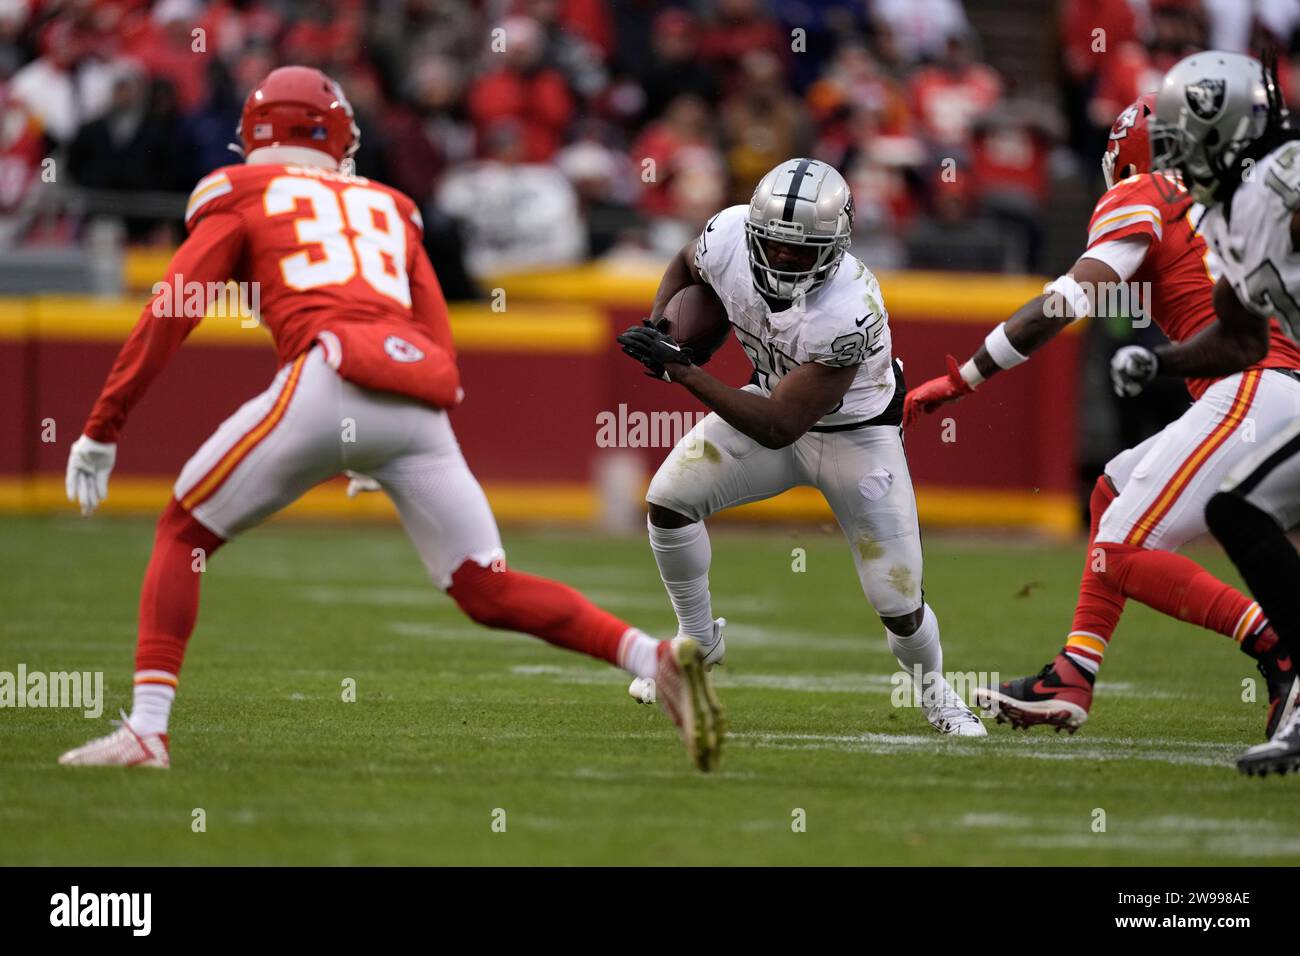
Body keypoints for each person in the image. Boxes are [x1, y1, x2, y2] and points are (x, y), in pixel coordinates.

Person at [59, 66, 723, 773]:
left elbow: (171, 309)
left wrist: (103, 426)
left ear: (255, 135)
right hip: (415, 391)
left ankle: (147, 732)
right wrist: (397, 435)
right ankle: (650, 655)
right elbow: (435, 326)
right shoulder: (389, 205)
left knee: (184, 529)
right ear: (337, 135)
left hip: (329, 372)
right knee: (486, 586)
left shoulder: (241, 190)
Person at [908, 93, 1300, 737]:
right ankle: (1075, 672)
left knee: (1118, 550)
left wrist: (963, 378)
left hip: (1252, 392)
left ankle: (1277, 642)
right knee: (1112, 489)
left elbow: (1063, 303)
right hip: (1272, 390)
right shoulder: (1239, 202)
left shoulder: (1145, 190)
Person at [617, 157, 985, 736]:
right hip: (765, 400)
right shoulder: (729, 234)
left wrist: (682, 370)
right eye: (775, 244)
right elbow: (687, 262)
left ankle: (938, 694)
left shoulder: (850, 309)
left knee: (897, 598)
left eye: (802, 249)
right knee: (667, 502)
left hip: (854, 437)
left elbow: (780, 426)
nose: (784, 257)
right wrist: (663, 322)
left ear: (835, 245)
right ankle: (697, 641)